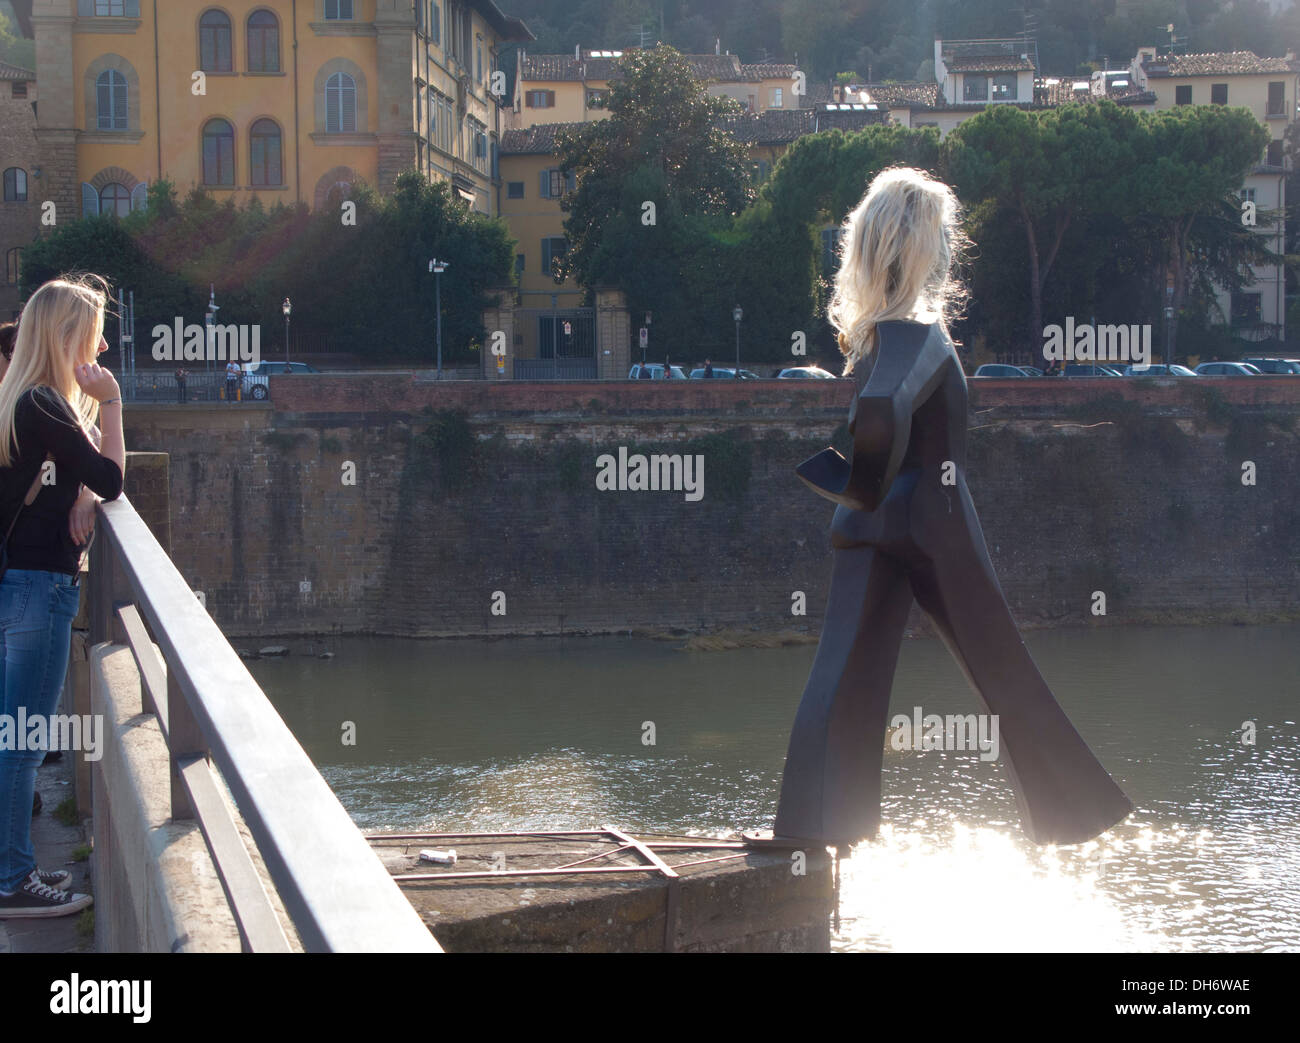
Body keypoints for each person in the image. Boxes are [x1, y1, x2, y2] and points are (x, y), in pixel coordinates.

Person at [750, 168, 1132, 850]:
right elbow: (880, 412)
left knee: (842, 673)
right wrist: (860, 478)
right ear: (927, 247)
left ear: (870, 245)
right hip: (935, 521)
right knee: (1006, 674)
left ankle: (815, 828)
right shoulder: (921, 335)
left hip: (873, 523)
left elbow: (874, 412)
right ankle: (1076, 816)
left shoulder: (880, 339)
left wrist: (853, 487)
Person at [0, 275, 125, 917]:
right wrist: (115, 403)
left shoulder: (18, 399)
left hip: (13, 587)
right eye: (93, 332)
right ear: (67, 336)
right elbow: (110, 477)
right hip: (38, 589)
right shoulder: (46, 404)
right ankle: (12, 881)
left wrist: (80, 492)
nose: (101, 348)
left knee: (10, 734)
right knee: (19, 740)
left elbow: (81, 480)